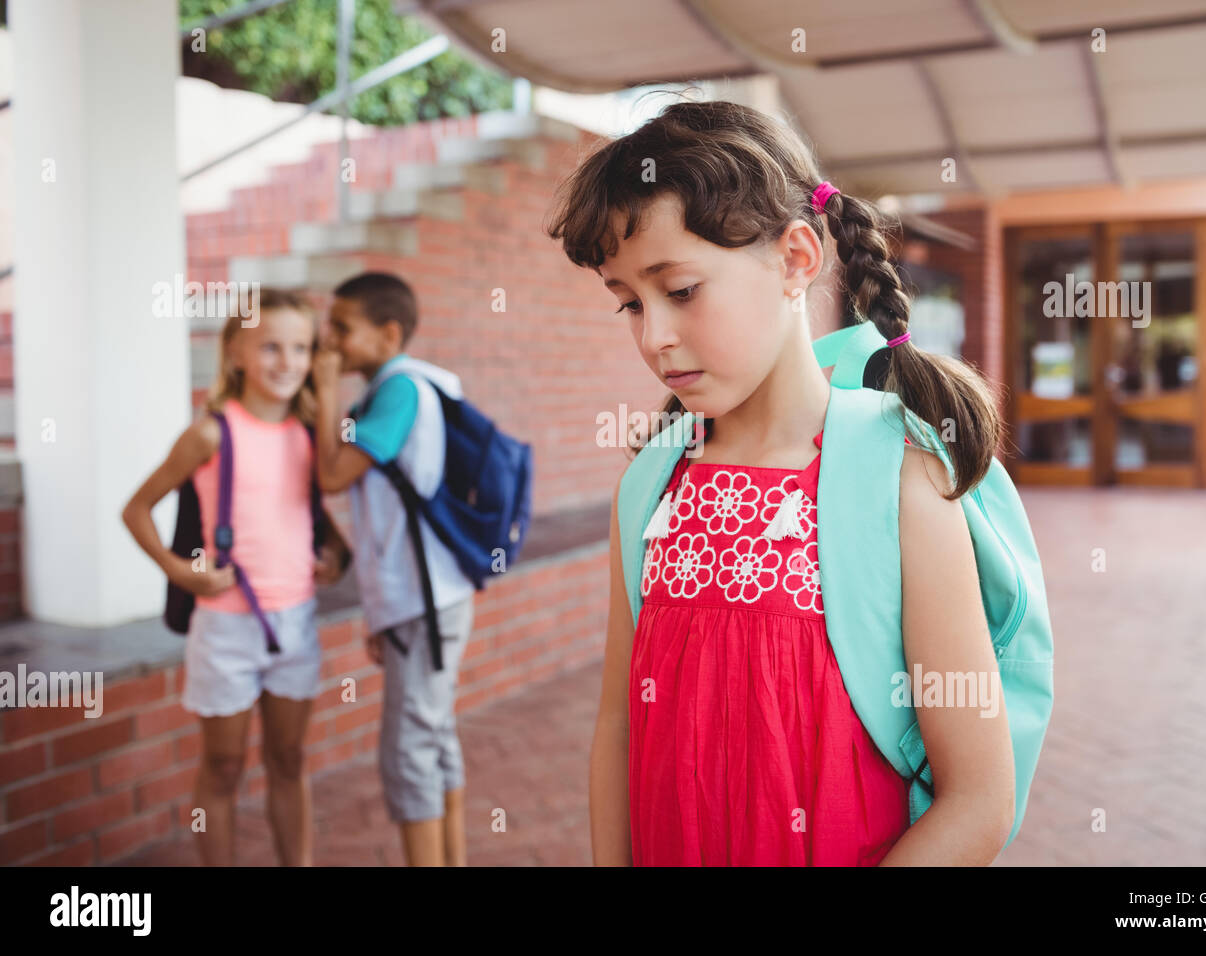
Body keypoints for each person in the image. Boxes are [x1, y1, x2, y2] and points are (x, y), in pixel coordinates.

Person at [547, 99, 1016, 866]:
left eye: (682, 290)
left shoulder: (896, 479)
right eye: (629, 303)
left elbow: (979, 800)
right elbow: (616, 727)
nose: (653, 336)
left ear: (797, 259)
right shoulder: (652, 486)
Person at [122, 288, 350, 866]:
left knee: (289, 759)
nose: (287, 361)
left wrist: (334, 559)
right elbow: (136, 509)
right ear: (235, 355)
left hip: (295, 622)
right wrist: (181, 571)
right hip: (225, 629)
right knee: (223, 765)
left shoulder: (308, 433)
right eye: (270, 346)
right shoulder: (211, 433)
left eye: (300, 348)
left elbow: (312, 514)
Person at [312, 272, 477, 867]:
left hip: (425, 600)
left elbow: (333, 474)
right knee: (431, 737)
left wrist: (327, 387)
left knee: (407, 751)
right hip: (422, 597)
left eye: (341, 329)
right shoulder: (399, 385)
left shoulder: (400, 391)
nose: (329, 341)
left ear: (386, 334)